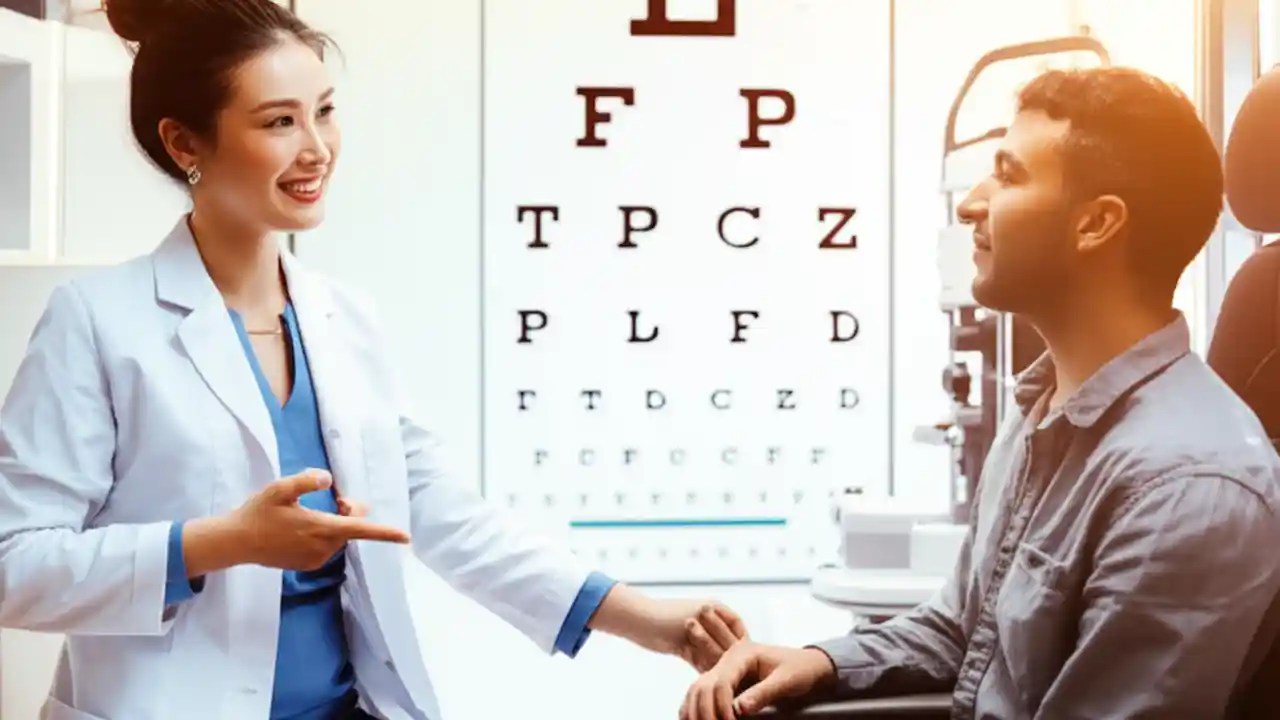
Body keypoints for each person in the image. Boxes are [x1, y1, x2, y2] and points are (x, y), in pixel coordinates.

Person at [0, 1, 748, 718]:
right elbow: (15, 567)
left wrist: (651, 621)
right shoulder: (98, 323)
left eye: (324, 110)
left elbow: (438, 510)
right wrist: (227, 542)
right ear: (185, 143)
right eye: (279, 122)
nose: (316, 148)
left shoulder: (343, 319)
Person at [680, 66, 1280, 720]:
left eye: (1009, 174)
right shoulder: (1041, 408)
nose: (971, 204)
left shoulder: (1184, 487)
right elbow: (967, 629)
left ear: (1097, 224)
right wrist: (819, 662)